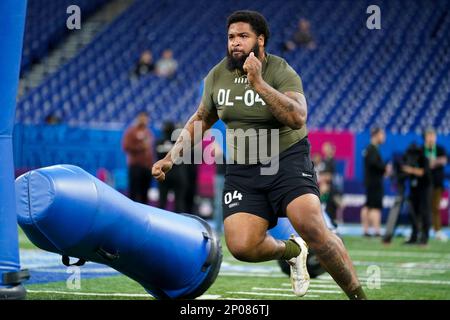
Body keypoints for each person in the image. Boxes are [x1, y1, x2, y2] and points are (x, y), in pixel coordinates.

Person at [152, 11, 365, 299]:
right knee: (241, 246)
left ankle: (358, 296)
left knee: (313, 228)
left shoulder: (280, 70)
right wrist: (171, 157)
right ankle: (293, 250)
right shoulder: (217, 75)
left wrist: (259, 83)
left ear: (260, 40)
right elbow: (201, 116)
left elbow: (297, 117)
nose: (235, 43)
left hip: (286, 159)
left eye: (243, 36)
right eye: (231, 37)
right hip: (243, 169)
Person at [402, 143, 432, 245]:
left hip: (425, 188)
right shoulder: (408, 159)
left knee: (424, 213)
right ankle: (414, 236)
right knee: (413, 212)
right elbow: (403, 172)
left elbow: (424, 172)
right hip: (414, 189)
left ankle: (424, 237)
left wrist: (411, 170)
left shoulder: (424, 159)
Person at [155, 122, 188, 213]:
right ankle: (180, 224)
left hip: (164, 175)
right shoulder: (179, 143)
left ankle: (160, 223)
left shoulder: (159, 142)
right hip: (178, 174)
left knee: (162, 202)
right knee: (179, 202)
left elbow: (158, 157)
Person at [122, 112, 154, 204]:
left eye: (146, 118)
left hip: (147, 167)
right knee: (134, 192)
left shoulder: (148, 133)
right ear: (138, 118)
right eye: (142, 118)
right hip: (136, 166)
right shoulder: (131, 131)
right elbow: (125, 146)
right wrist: (140, 147)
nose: (144, 120)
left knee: (145, 193)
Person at [361, 128, 387, 237]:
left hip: (371, 182)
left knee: (368, 205)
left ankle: (366, 230)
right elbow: (374, 164)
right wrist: (385, 168)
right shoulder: (371, 149)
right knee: (374, 206)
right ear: (376, 135)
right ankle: (376, 231)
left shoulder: (371, 149)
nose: (384, 137)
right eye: (382, 134)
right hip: (374, 183)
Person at [424, 128, 448, 242]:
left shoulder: (439, 149)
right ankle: (423, 230)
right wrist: (432, 162)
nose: (431, 138)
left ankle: (437, 231)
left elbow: (445, 160)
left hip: (437, 183)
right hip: (424, 183)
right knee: (423, 208)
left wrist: (434, 161)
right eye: (429, 136)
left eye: (433, 136)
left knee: (435, 207)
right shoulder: (422, 149)